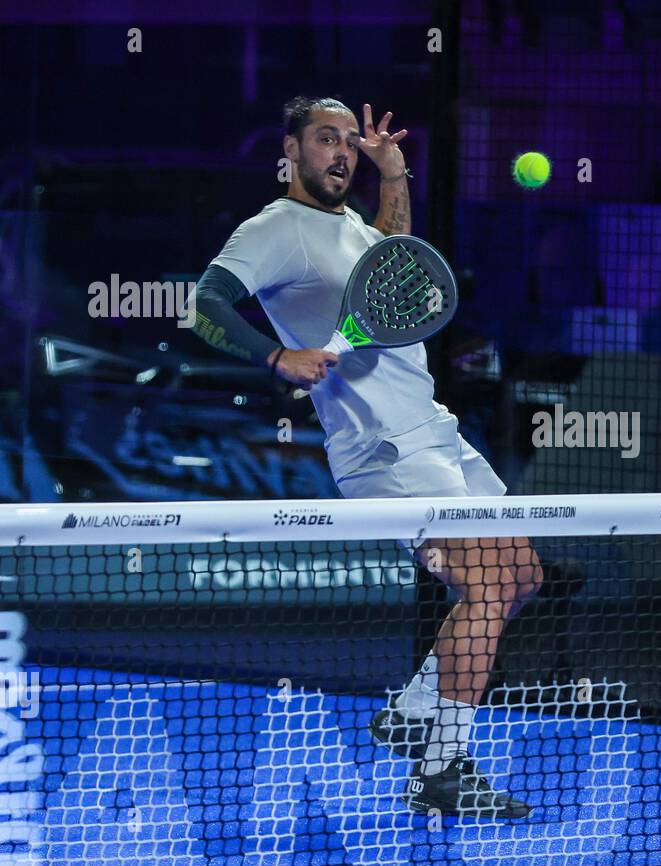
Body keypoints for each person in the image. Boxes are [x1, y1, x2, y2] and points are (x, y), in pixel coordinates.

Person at [190, 95, 540, 819]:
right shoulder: (276, 229)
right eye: (325, 139)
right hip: (382, 447)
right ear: (290, 151)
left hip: (433, 428)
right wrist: (276, 353)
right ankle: (440, 770)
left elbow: (396, 268)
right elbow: (207, 302)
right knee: (485, 585)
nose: (341, 152)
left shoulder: (349, 223)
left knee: (522, 575)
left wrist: (396, 173)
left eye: (350, 141)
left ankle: (412, 711)